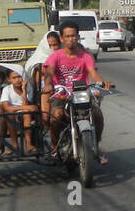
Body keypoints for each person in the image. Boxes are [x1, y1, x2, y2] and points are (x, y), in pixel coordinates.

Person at [42, 24, 113, 162]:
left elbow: (93, 73)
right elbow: (49, 72)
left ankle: (96, 146)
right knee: (56, 116)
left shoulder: (85, 56)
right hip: (61, 94)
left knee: (97, 114)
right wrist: (48, 84)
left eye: (74, 35)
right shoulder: (55, 56)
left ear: (78, 37)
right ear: (62, 39)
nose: (71, 39)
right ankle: (55, 146)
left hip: (82, 94)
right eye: (67, 36)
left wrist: (102, 83)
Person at [0, 68, 39, 153]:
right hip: (12, 113)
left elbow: (25, 105)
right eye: (14, 78)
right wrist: (25, 108)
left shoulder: (28, 88)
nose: (17, 80)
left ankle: (28, 144)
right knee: (10, 114)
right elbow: (7, 107)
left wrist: (24, 90)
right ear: (9, 79)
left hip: (25, 113)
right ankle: (15, 144)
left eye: (19, 77)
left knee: (27, 113)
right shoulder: (7, 89)